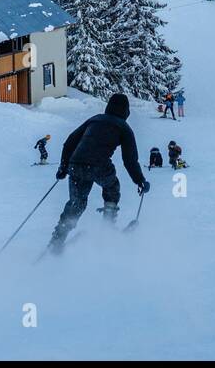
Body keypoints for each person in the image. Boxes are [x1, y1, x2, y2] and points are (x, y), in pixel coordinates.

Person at [48, 93, 148, 253]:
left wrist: (63, 166)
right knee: (112, 188)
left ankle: (57, 240)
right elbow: (129, 159)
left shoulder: (95, 119)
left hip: (76, 164)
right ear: (126, 111)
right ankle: (108, 228)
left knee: (77, 203)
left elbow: (70, 141)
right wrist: (139, 180)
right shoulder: (124, 127)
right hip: (99, 165)